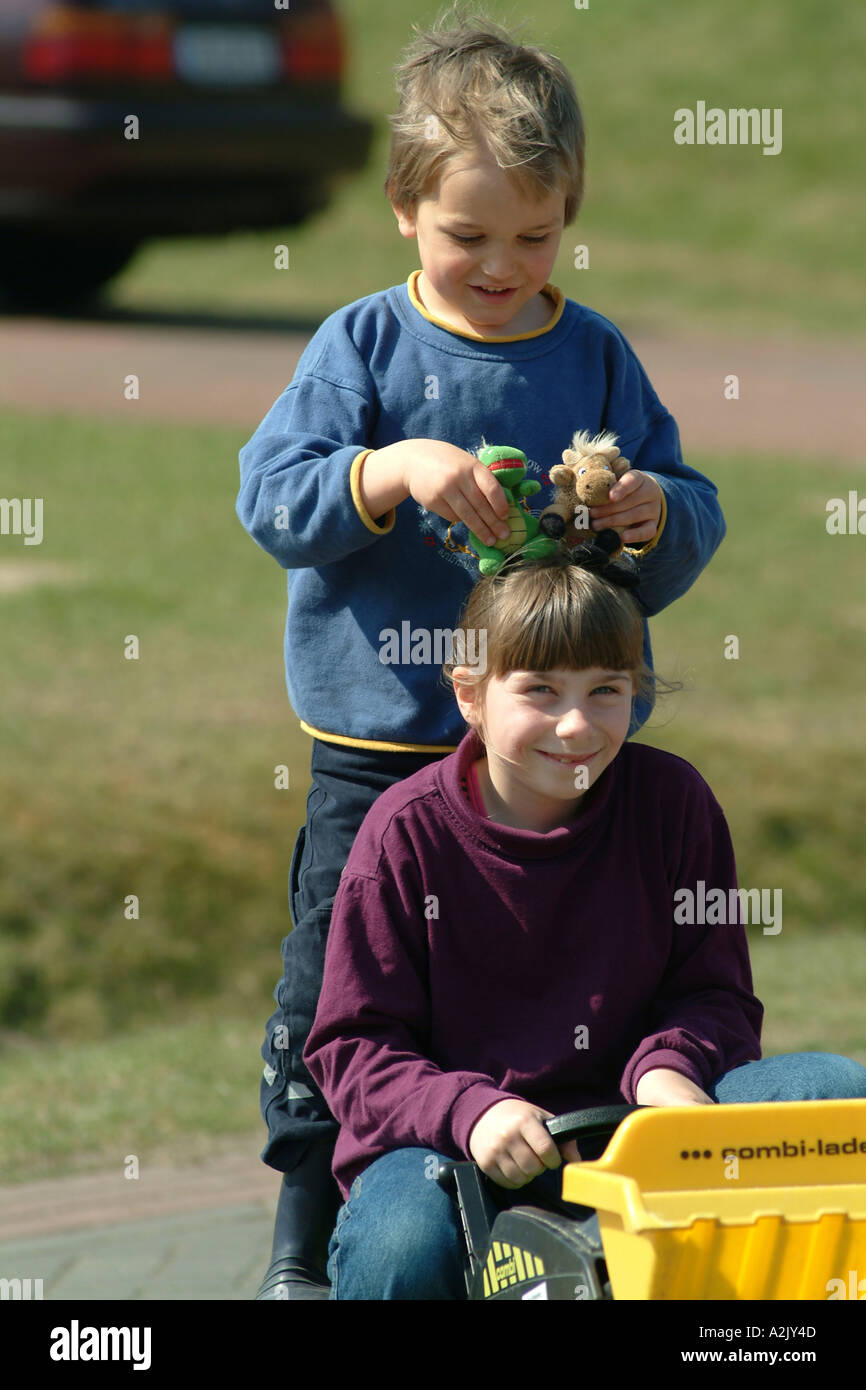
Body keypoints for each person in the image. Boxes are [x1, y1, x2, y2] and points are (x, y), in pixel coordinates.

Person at [237, 9, 728, 1298]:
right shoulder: (363, 346)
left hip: (548, 743)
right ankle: (305, 1231)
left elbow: (690, 509)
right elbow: (270, 498)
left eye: (534, 234)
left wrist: (653, 512)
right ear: (404, 209)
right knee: (325, 990)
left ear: (569, 211)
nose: (501, 264)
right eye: (468, 236)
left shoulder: (596, 356)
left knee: (557, 962)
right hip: (378, 738)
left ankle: (564, 1175)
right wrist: (386, 469)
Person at [303, 551, 866, 1300]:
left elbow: (718, 997)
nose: (576, 724)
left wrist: (669, 1067)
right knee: (400, 1244)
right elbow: (353, 1047)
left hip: (643, 1136)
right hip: (452, 1150)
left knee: (830, 1089)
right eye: (539, 690)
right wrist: (470, 1112)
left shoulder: (675, 803)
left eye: (605, 690)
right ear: (470, 693)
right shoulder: (403, 834)